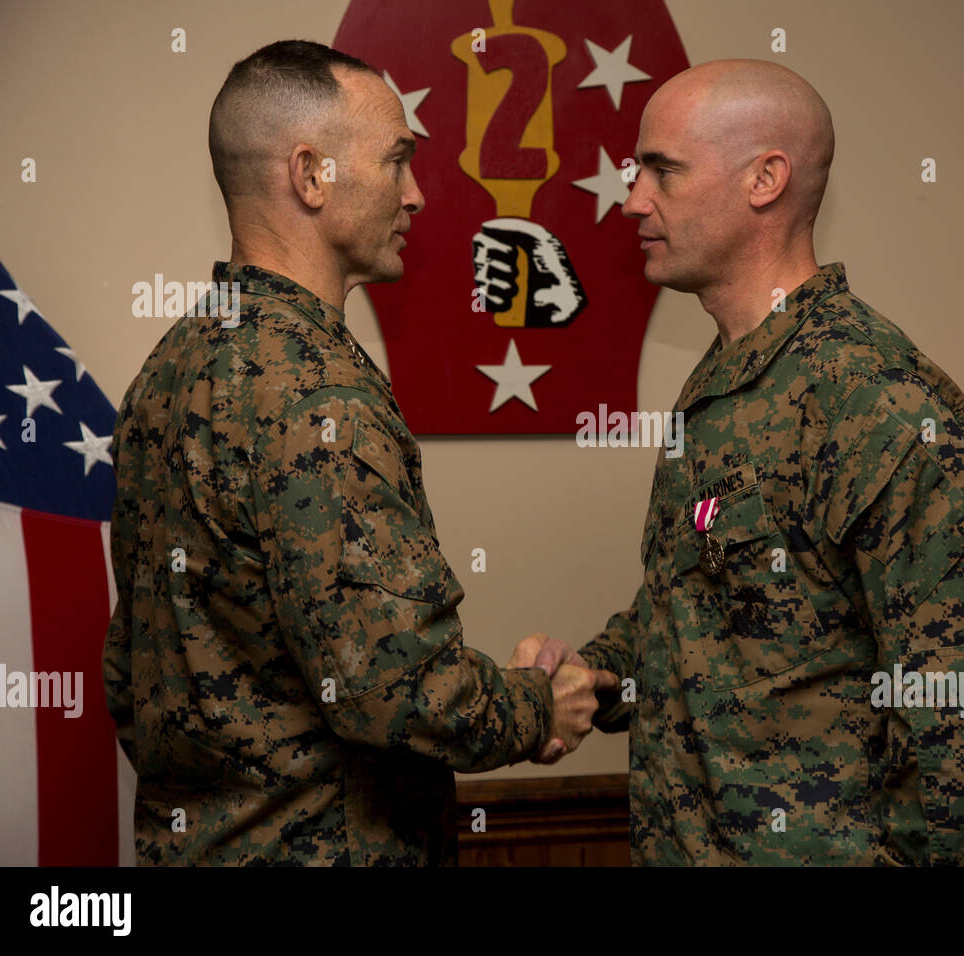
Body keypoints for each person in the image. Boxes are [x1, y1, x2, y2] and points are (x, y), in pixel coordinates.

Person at [102, 39, 614, 866]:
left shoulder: (166, 370)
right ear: (312, 176)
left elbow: (132, 680)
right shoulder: (318, 395)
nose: (415, 195)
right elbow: (400, 689)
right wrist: (536, 708)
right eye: (397, 160)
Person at [524, 59, 964, 865]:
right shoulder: (725, 381)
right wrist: (591, 675)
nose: (633, 201)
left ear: (765, 179)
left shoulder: (871, 396)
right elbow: (696, 616)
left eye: (662, 170)